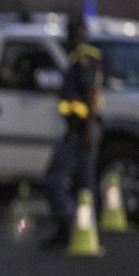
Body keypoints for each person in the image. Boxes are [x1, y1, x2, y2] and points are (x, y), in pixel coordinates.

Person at [40, 15, 103, 249]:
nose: (69, 36)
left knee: (53, 180)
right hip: (80, 130)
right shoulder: (79, 57)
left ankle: (67, 228)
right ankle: (82, 232)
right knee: (84, 185)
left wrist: (88, 130)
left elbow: (89, 96)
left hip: (78, 132)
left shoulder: (83, 58)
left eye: (72, 31)